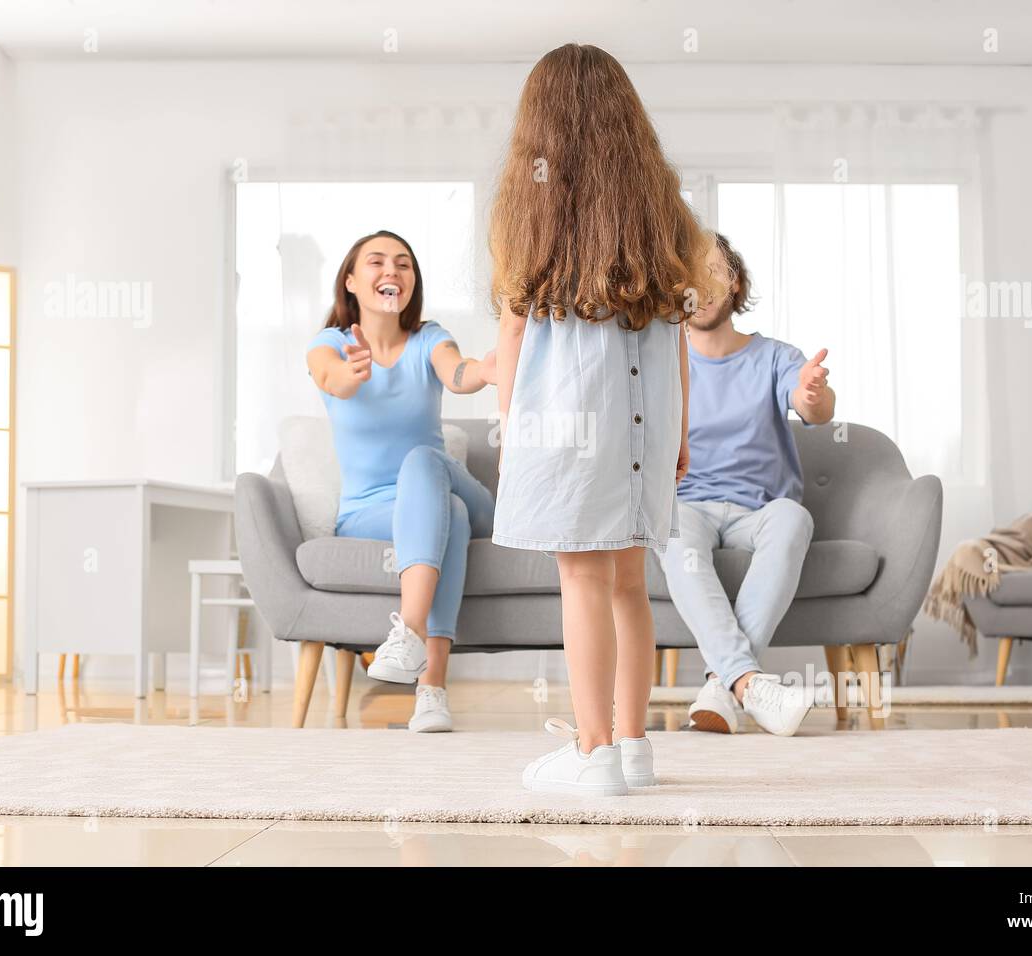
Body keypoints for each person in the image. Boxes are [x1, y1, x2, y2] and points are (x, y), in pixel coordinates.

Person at [490, 44, 723, 795]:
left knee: (580, 579)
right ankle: (632, 745)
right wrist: (680, 429)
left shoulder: (531, 204)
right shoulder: (665, 209)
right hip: (644, 422)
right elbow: (681, 326)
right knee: (628, 581)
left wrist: (510, 428)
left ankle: (591, 756)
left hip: (566, 419)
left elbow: (517, 330)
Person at [306, 230, 497, 733]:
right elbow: (332, 379)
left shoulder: (428, 338)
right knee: (447, 516)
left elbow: (457, 373)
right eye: (376, 262)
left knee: (424, 463)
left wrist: (486, 369)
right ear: (351, 280)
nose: (392, 271)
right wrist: (353, 374)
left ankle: (409, 631)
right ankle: (431, 691)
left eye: (404, 264)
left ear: (412, 282)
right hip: (370, 512)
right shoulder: (333, 344)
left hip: (453, 487)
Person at [659, 233, 835, 737]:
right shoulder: (662, 362)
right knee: (668, 528)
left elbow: (814, 408)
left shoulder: (775, 356)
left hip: (761, 510)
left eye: (714, 270)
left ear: (734, 282)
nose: (703, 284)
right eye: (690, 273)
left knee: (793, 518)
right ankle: (750, 686)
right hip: (688, 506)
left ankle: (724, 683)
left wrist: (811, 393)